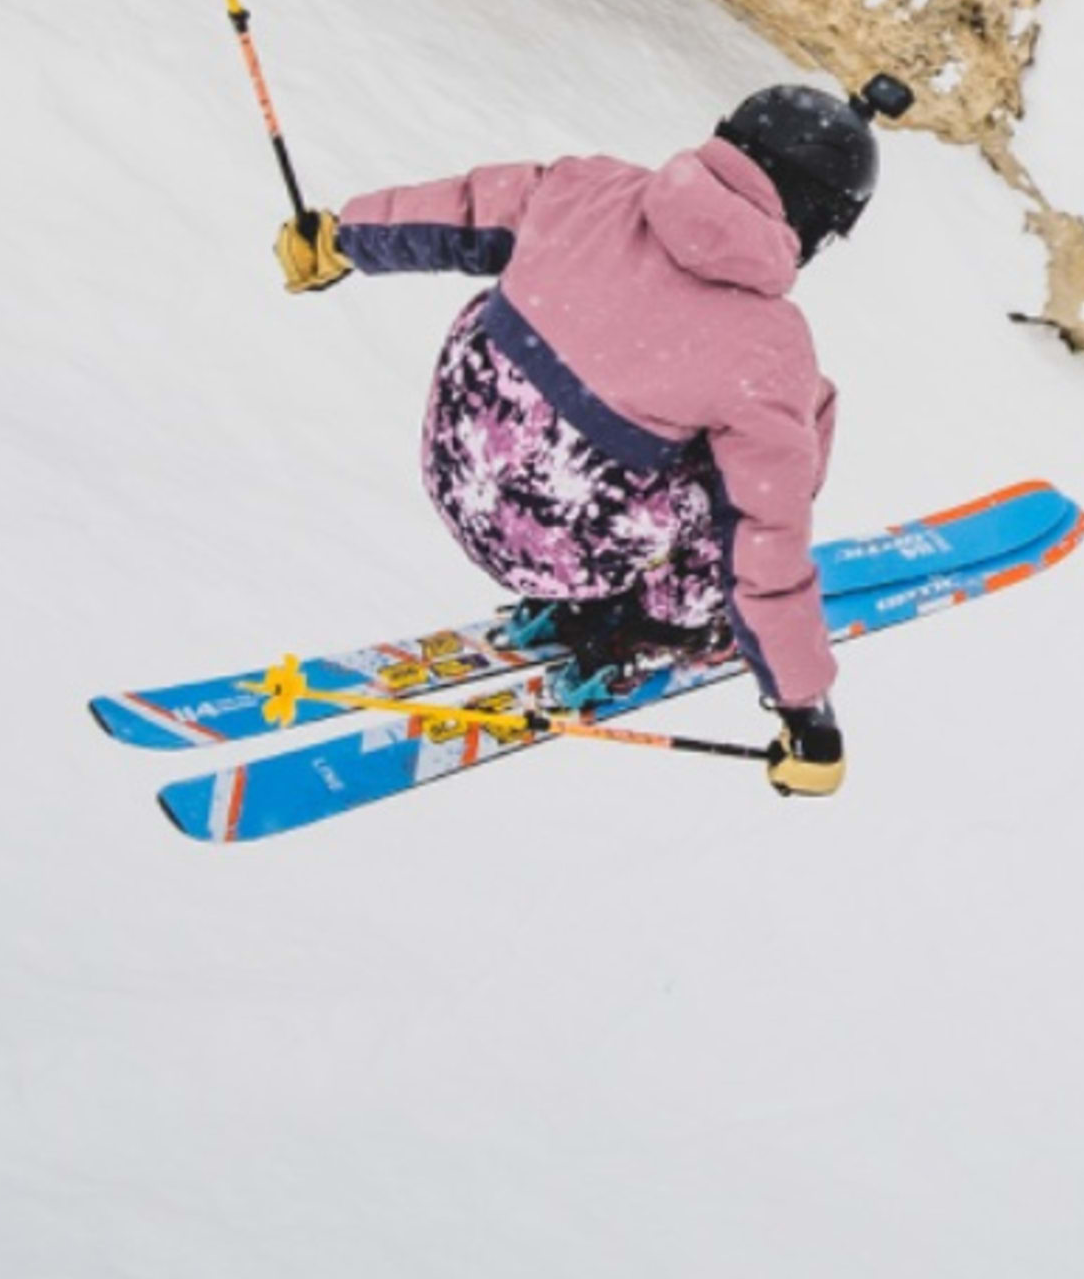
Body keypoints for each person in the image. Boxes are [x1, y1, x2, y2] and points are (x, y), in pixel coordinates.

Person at [271, 75, 916, 794]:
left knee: (540, 321)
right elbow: (764, 538)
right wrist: (806, 713)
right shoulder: (770, 351)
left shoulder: (591, 188)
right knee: (793, 423)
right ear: (818, 225)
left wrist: (342, 240)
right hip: (564, 551)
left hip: (456, 469)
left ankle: (593, 536)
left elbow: (462, 210)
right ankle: (660, 622)